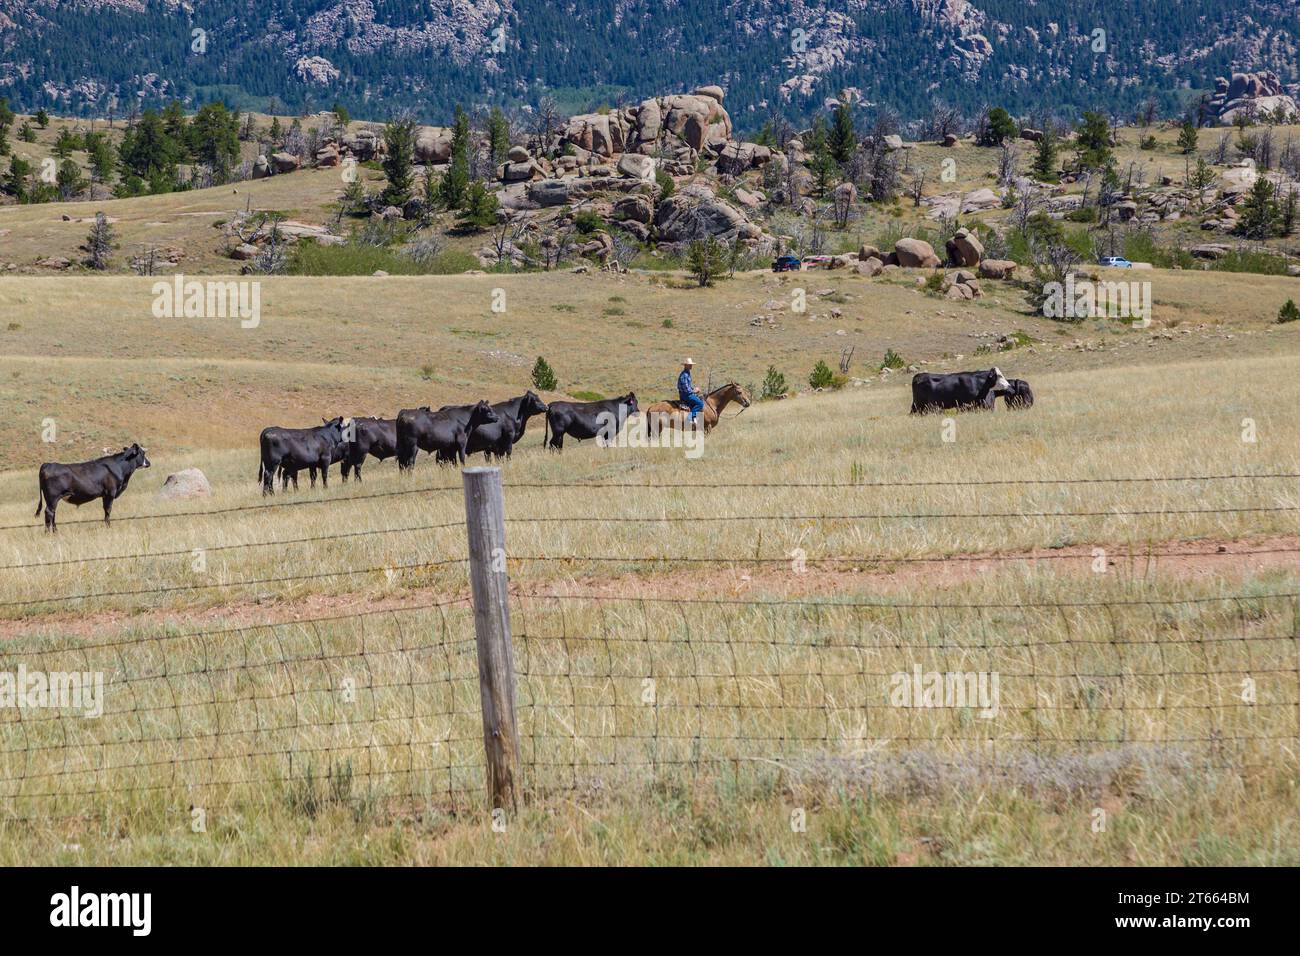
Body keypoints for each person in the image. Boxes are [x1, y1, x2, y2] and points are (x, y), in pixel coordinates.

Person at [677, 357, 704, 424]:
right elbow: (686, 388)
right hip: (685, 395)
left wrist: (693, 389)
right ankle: (690, 418)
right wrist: (694, 391)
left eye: (691, 364)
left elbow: (688, 387)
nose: (691, 366)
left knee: (700, 398)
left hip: (686, 393)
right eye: (689, 364)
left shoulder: (687, 373)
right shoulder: (684, 375)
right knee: (700, 403)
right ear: (685, 365)